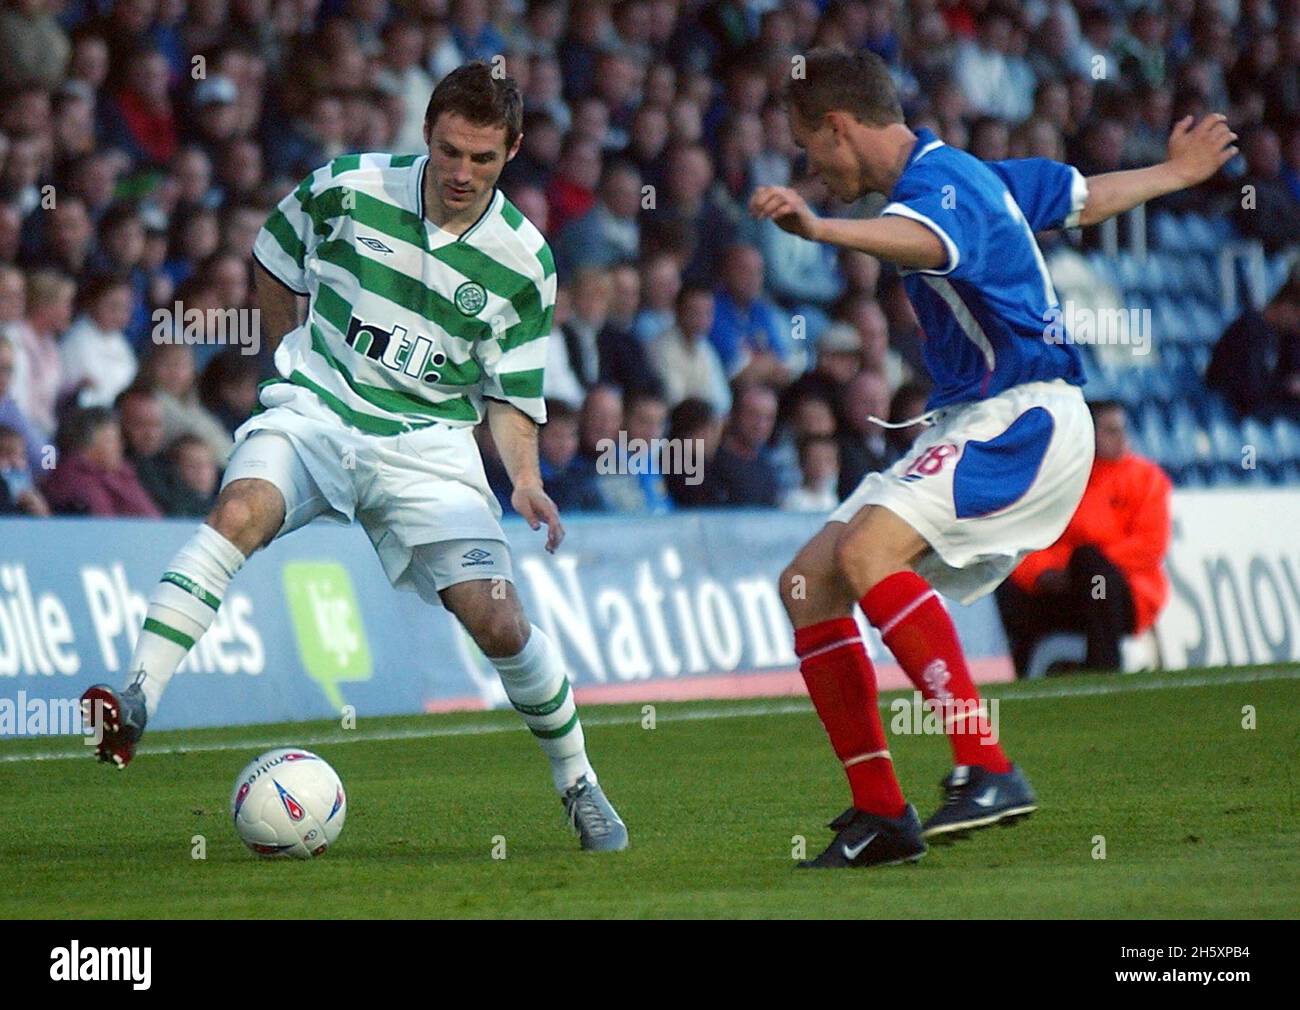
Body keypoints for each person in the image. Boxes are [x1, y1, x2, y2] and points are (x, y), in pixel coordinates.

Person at [80, 63, 628, 854]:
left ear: (511, 151)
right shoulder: (348, 186)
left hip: (428, 449)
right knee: (237, 514)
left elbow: (509, 396)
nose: (462, 173)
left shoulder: (525, 262)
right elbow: (273, 256)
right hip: (319, 414)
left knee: (500, 621)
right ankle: (135, 698)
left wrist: (529, 479)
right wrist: (285, 359)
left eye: (482, 158)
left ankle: (578, 783)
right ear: (427, 134)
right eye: (449, 152)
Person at [749, 48, 1236, 868]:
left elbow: (919, 244)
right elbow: (1083, 198)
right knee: (809, 583)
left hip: (1023, 416)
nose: (811, 166)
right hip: (981, 418)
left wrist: (821, 227)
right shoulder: (980, 176)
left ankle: (987, 763)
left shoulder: (939, 194)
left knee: (868, 551)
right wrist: (1175, 173)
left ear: (838, 127)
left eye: (809, 147)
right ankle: (881, 815)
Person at [997, 401, 1172, 675]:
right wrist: (1042, 573)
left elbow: (1149, 547)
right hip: (1065, 592)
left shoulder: (1146, 478)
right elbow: (1028, 538)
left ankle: (1103, 671)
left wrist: (1081, 569)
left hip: (1120, 593)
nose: (1121, 438)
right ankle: (1023, 677)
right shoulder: (1059, 479)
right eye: (1110, 431)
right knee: (1007, 584)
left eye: (1122, 430)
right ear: (1087, 433)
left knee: (1091, 566)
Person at [42, 406, 161, 518]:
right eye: (111, 440)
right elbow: (104, 525)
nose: (120, 446)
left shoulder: (120, 474)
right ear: (86, 446)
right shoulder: (75, 479)